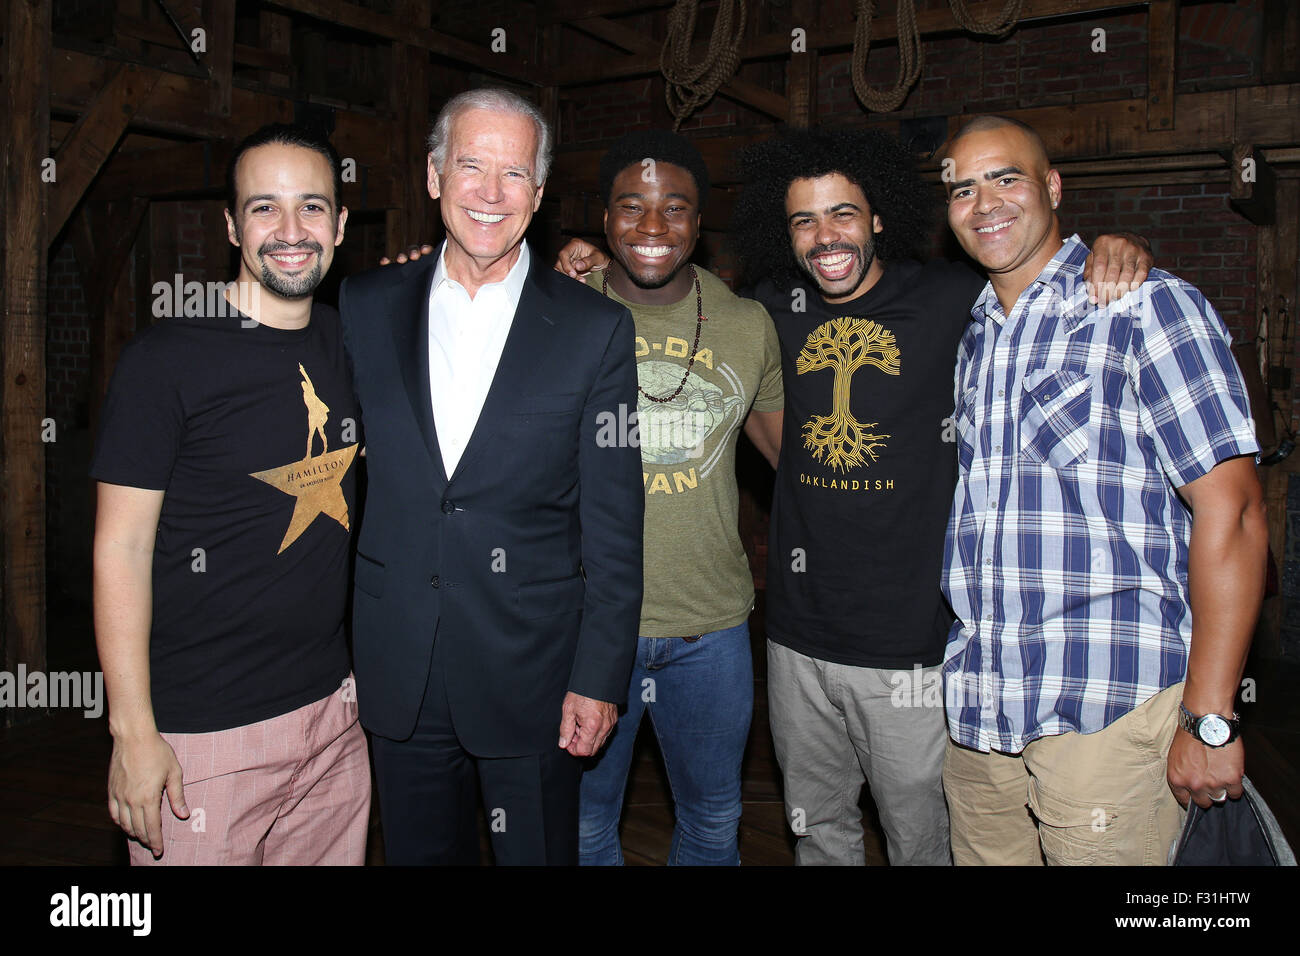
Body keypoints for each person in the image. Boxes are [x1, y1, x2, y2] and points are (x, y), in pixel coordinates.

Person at [558, 125, 1152, 866]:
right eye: (804, 220)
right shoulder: (769, 311)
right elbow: (782, 451)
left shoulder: (950, 296)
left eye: (843, 213)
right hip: (795, 639)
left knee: (921, 841)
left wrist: (1110, 247)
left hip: (912, 648)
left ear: (879, 218)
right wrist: (576, 256)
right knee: (817, 831)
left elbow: (1028, 266)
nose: (824, 236)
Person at [938, 114, 1267, 865]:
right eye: (962, 188)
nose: (984, 202)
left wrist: (1211, 717)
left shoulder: (1146, 306)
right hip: (983, 716)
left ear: (1053, 187)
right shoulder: (977, 333)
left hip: (1107, 714)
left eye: (1006, 178)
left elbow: (1236, 511)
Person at [338, 88, 644, 866]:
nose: (490, 192)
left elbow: (614, 520)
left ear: (538, 196)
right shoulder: (366, 304)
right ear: (435, 175)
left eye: (514, 173)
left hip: (536, 674)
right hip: (398, 660)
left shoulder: (595, 327)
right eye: (471, 165)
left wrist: (600, 677)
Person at [91, 123, 369, 865]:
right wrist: (132, 732)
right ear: (230, 225)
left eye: (312, 207)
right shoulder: (165, 360)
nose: (290, 231)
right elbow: (120, 546)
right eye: (263, 208)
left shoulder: (350, 343)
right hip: (202, 738)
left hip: (335, 721)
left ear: (341, 225)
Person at [568, 130, 783, 865]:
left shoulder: (747, 325)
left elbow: (798, 460)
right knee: (584, 822)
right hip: (585, 625)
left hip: (711, 628)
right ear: (604, 221)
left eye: (675, 209)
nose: (653, 228)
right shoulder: (554, 313)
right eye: (632, 207)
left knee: (714, 819)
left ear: (698, 222)